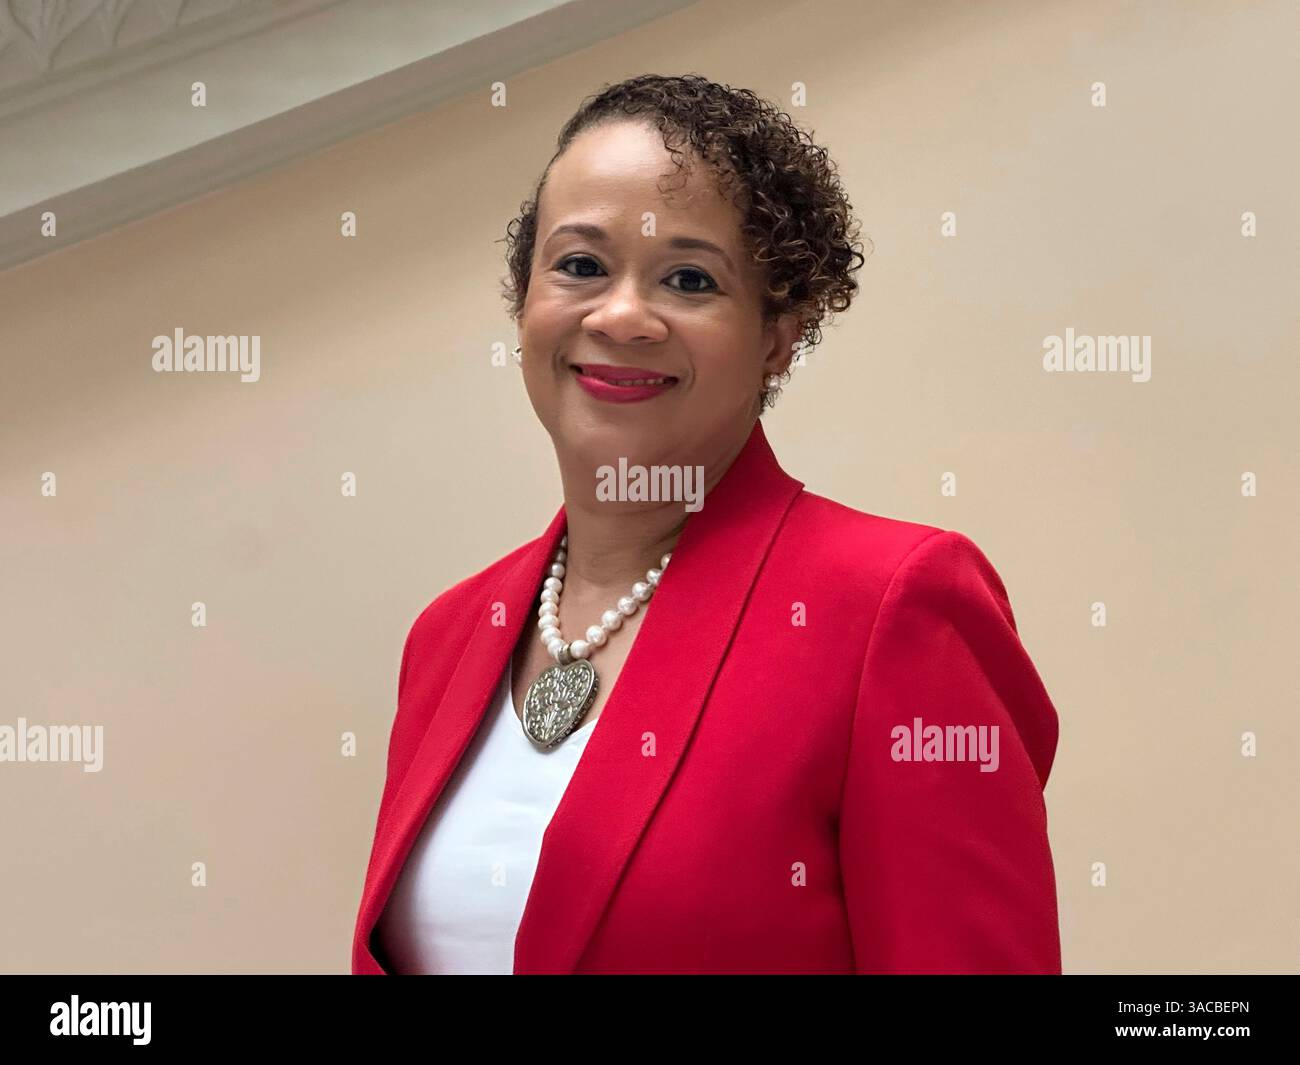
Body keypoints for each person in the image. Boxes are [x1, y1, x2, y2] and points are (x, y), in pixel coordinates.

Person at [352, 74, 1061, 974]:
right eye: (578, 265)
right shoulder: (448, 635)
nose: (620, 315)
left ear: (777, 335)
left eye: (689, 279)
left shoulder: (893, 606)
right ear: (523, 301)